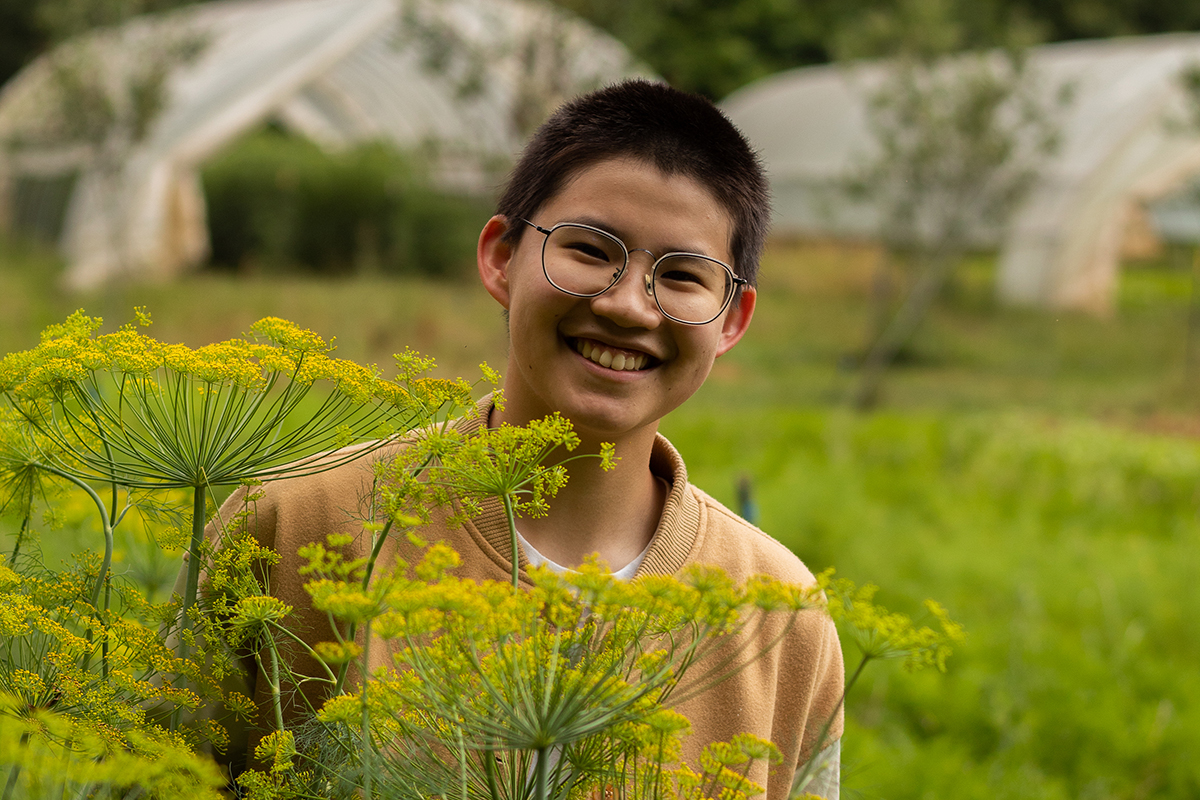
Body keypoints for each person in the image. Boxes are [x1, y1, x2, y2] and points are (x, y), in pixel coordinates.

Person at [209, 79, 843, 800]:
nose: (628, 305)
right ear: (500, 258)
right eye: (590, 249)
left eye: (684, 276)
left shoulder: (779, 615)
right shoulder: (296, 526)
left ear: (732, 319)